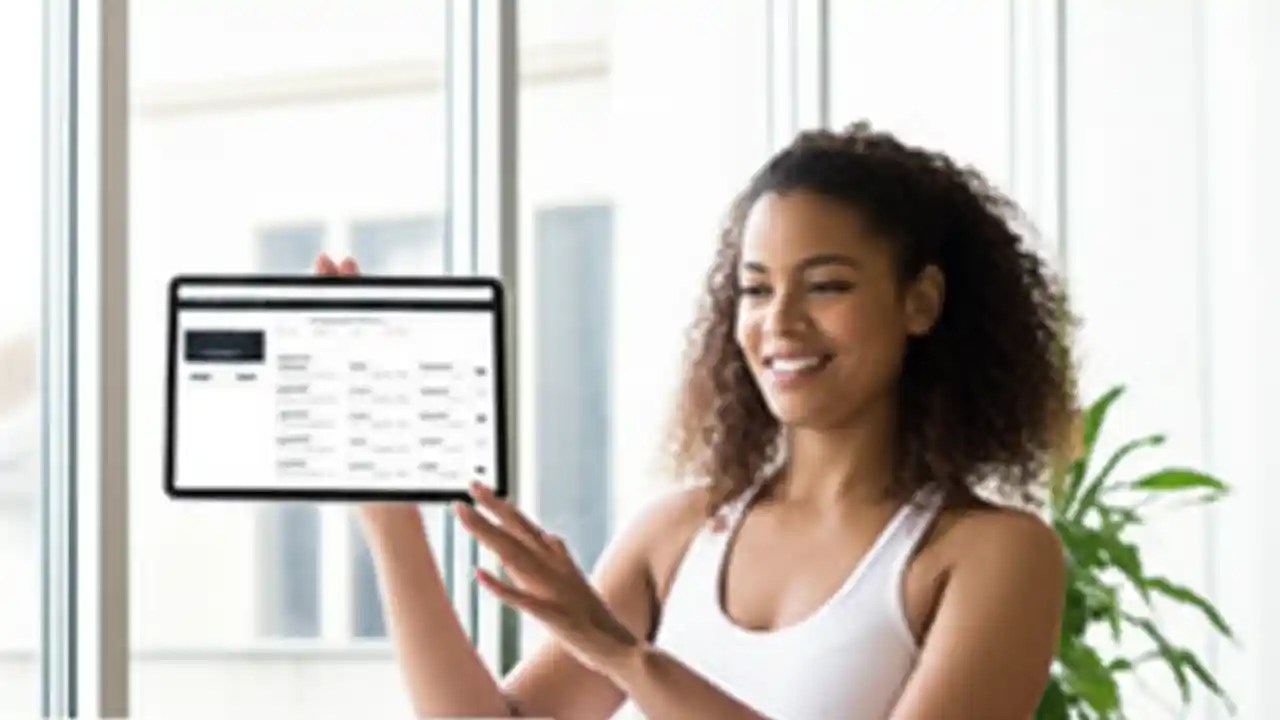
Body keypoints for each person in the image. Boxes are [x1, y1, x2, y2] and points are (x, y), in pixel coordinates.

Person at [322, 120, 1076, 720]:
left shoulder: (992, 556)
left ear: (922, 301)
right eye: (755, 289)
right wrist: (391, 524)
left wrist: (626, 656)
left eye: (826, 286)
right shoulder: (678, 533)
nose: (779, 323)